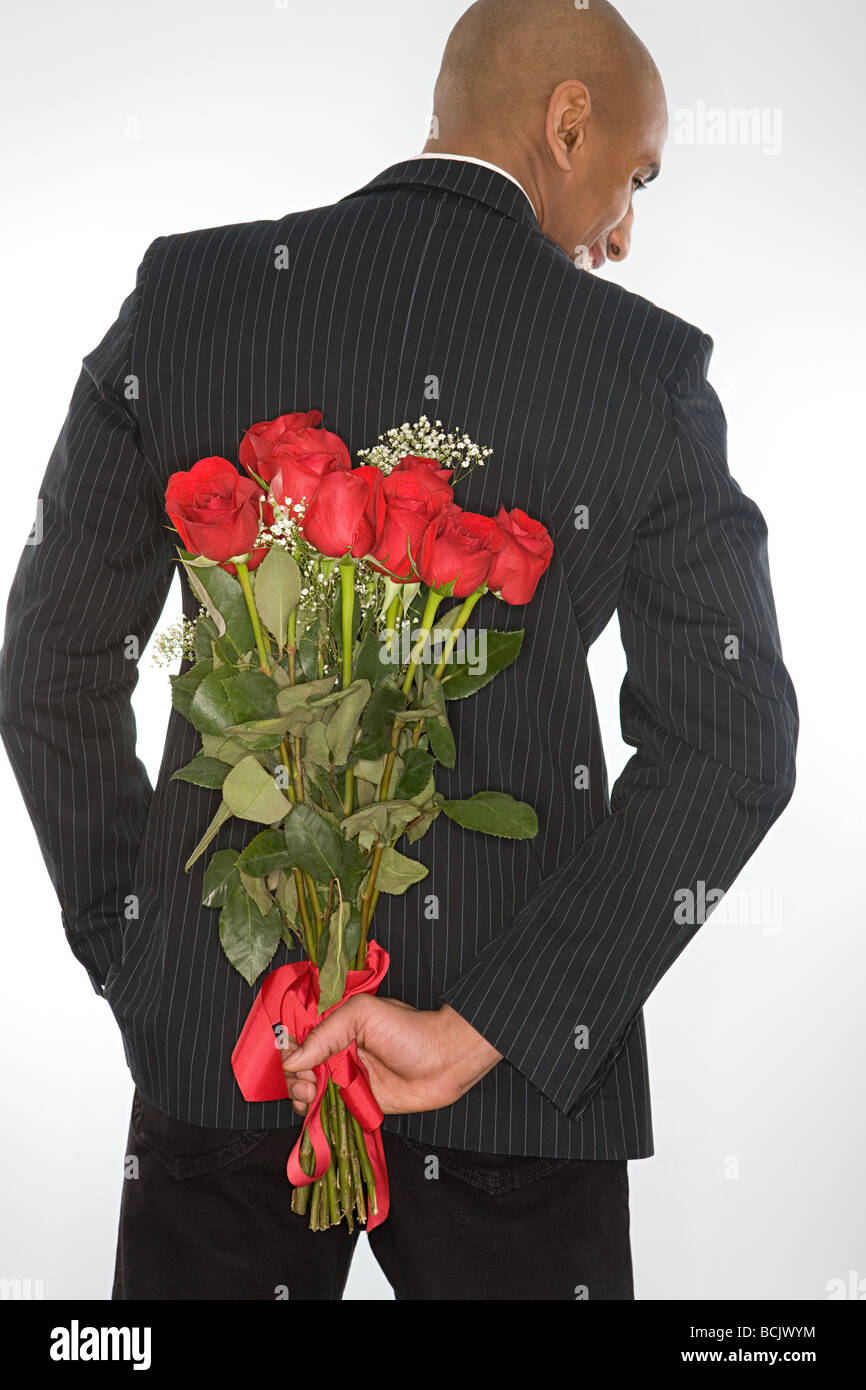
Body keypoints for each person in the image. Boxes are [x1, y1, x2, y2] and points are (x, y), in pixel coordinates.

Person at [0, 0, 799, 1301]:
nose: (627, 223)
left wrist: (147, 949)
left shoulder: (190, 300)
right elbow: (732, 749)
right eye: (634, 174)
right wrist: (499, 1026)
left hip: (230, 1051)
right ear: (565, 121)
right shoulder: (641, 372)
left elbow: (47, 666)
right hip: (522, 1100)